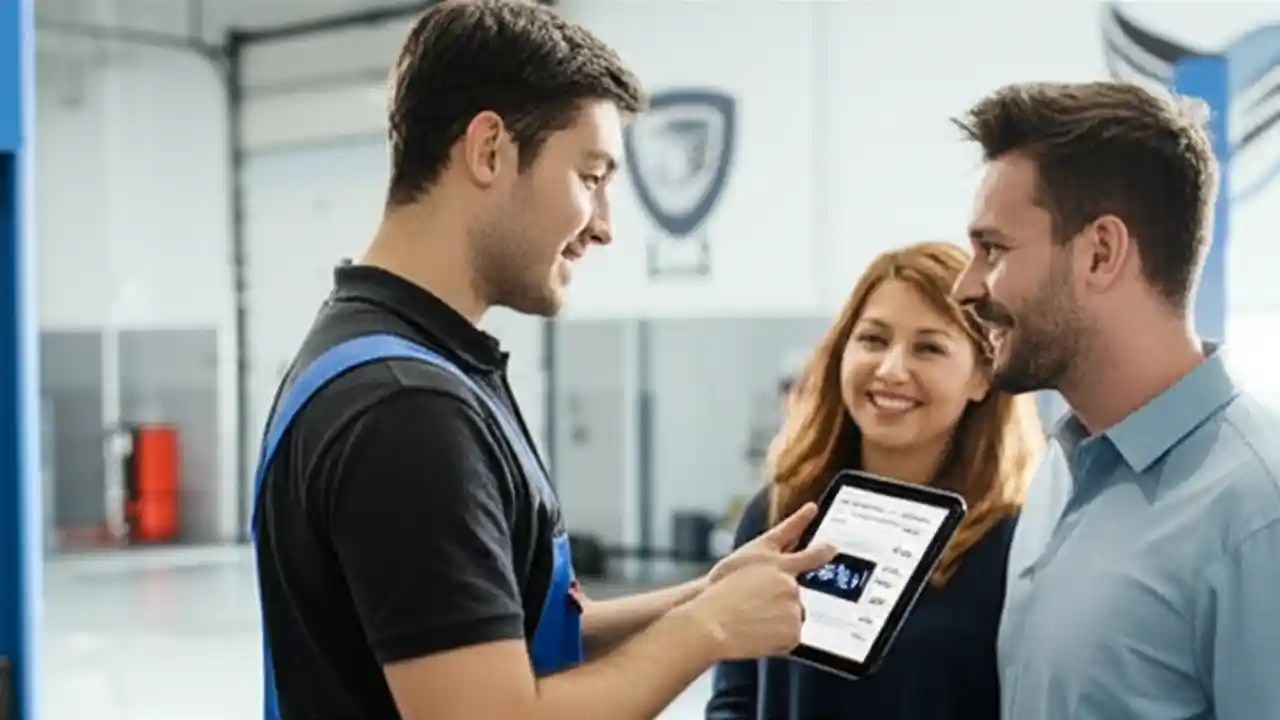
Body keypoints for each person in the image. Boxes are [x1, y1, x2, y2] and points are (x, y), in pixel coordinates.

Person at [249, 2, 836, 719]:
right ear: (489, 148)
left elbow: (507, 639)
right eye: (591, 177)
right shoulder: (406, 410)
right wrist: (707, 630)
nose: (606, 226)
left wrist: (710, 594)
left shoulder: (383, 359)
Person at [951, 80, 1280, 720]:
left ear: (1100, 252)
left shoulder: (1258, 511)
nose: (966, 286)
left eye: (993, 249)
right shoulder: (1061, 470)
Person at [706, 241, 1044, 719]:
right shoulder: (781, 513)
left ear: (982, 377)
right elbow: (736, 696)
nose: (890, 370)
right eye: (873, 340)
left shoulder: (1011, 546)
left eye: (928, 348)